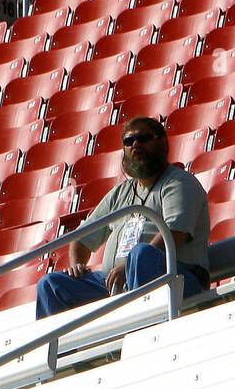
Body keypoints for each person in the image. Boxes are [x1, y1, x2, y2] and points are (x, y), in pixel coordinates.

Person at [34, 116, 210, 319]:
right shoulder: (121, 192)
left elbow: (174, 234)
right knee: (51, 285)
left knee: (142, 253)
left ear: (162, 142)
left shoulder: (178, 182)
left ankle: (135, 329)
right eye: (128, 141)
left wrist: (128, 266)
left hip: (178, 276)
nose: (135, 145)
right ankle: (62, 350)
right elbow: (82, 238)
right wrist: (78, 265)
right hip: (115, 283)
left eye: (143, 138)